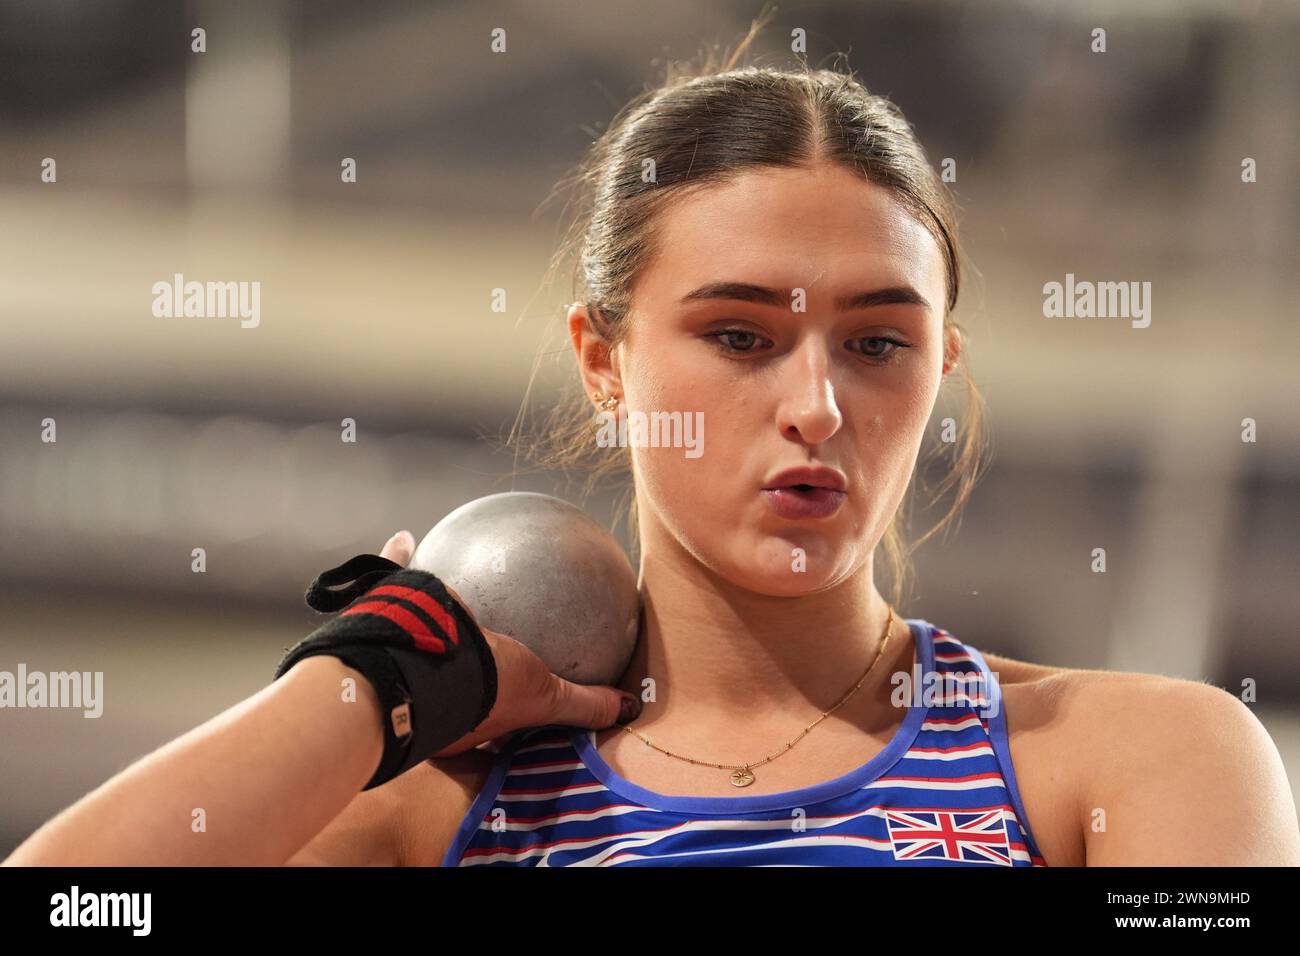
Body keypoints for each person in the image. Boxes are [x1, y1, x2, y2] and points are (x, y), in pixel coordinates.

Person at [7, 44, 1298, 868]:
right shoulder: (428, 803)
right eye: (739, 335)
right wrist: (360, 685)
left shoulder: (1135, 758)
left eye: (878, 343)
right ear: (605, 360)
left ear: (942, 365)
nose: (818, 406)